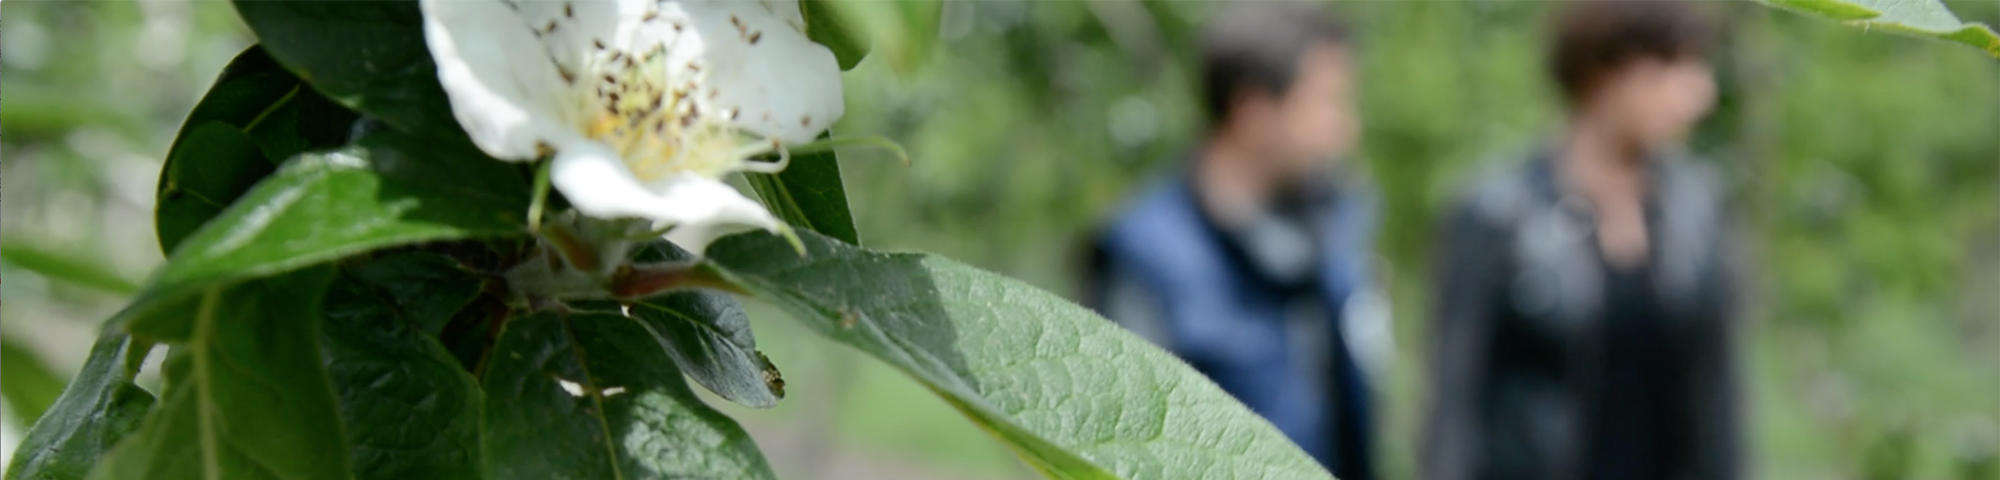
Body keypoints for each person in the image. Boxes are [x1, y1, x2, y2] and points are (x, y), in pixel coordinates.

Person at [1422, 2, 1741, 479]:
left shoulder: (1697, 210)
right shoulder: (1497, 214)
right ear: (1605, 71)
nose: (1700, 94)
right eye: (1672, 65)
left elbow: (1718, 400)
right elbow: (1454, 405)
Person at [1088, 4, 1383, 479]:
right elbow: (1118, 453)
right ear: (1255, 112)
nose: (1346, 130)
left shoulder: (1330, 234)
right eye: (1327, 104)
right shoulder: (1143, 254)